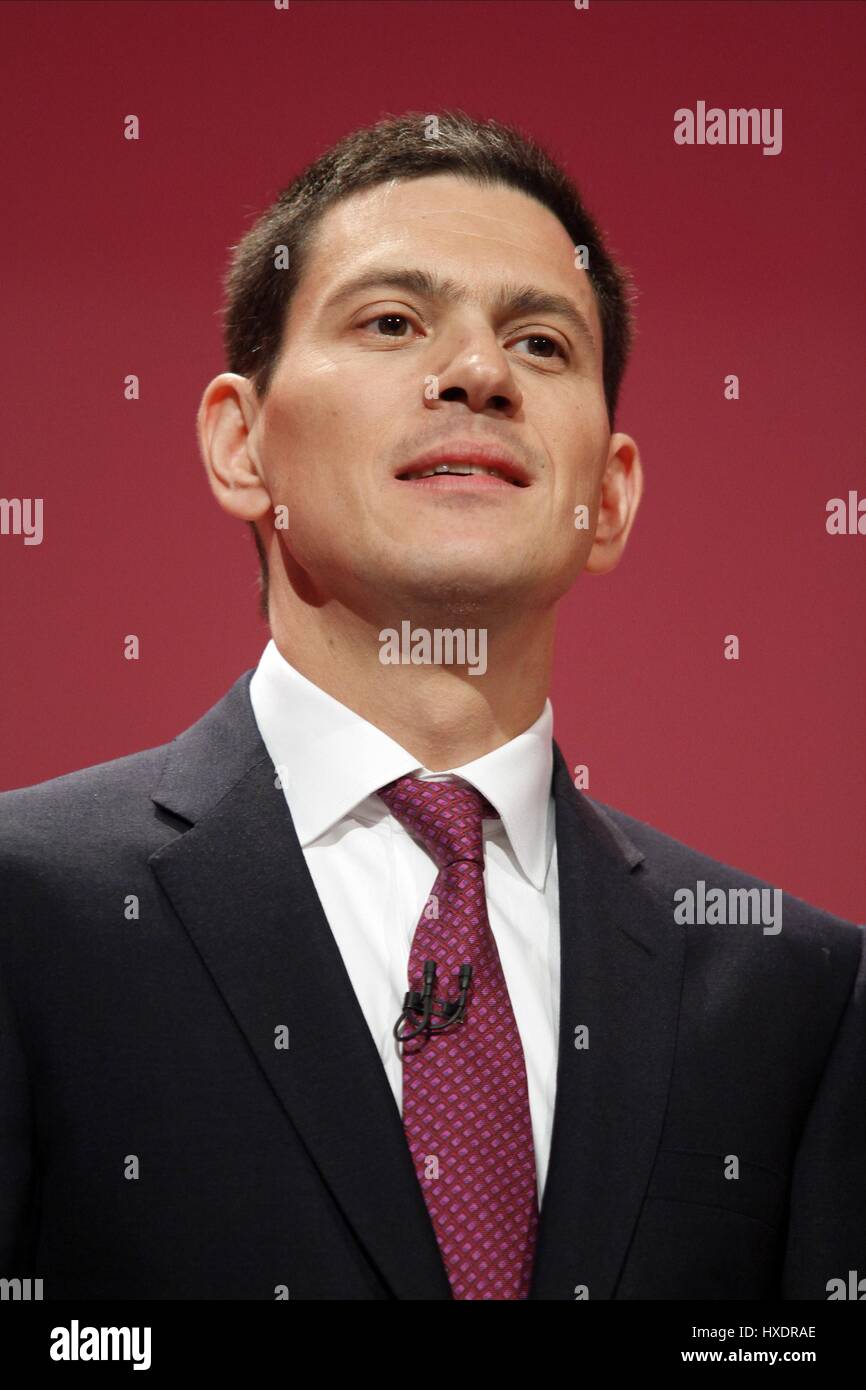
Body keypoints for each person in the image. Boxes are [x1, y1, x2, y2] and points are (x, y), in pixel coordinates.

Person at [1, 111, 863, 1301]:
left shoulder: (791, 989)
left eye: (543, 343)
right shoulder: (27, 910)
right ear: (240, 444)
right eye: (392, 322)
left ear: (607, 496)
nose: (477, 372)